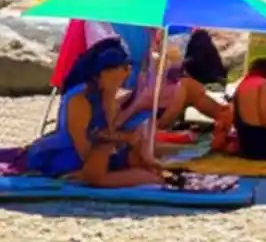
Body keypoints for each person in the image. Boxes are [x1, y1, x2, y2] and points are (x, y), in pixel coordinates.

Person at [25, 38, 163, 187]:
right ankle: (105, 177)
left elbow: (109, 130)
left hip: (93, 149)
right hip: (65, 152)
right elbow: (82, 143)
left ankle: (140, 176)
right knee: (106, 160)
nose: (127, 72)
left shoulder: (107, 94)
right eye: (123, 67)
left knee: (133, 155)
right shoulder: (80, 98)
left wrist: (110, 97)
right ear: (103, 72)